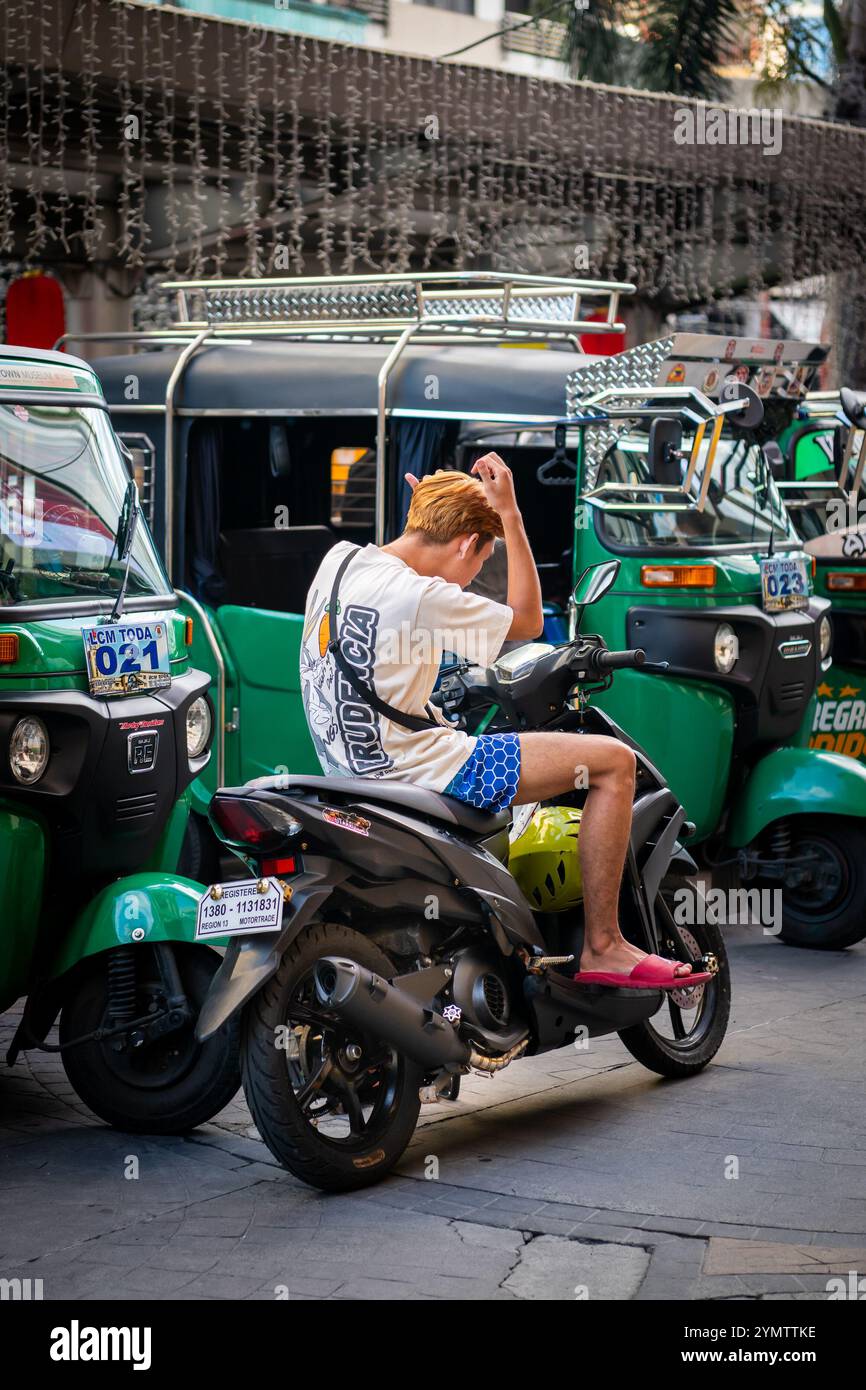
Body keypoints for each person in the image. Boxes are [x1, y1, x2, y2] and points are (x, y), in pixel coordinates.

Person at [300, 454, 702, 988]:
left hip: (345, 771)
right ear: (467, 543)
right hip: (421, 771)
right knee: (612, 764)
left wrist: (441, 502)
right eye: (479, 563)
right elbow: (530, 621)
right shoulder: (423, 596)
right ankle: (603, 947)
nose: (471, 582)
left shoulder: (339, 562)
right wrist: (510, 517)